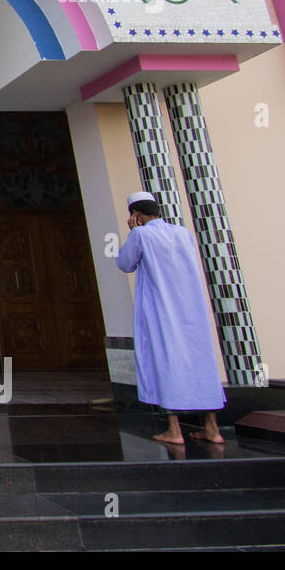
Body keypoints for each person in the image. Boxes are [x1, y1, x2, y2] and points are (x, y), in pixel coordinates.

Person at [115, 191, 226, 446]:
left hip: (161, 310)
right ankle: (212, 428)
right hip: (191, 310)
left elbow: (125, 263)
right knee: (201, 362)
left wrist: (132, 232)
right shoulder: (182, 233)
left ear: (136, 214)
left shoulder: (142, 234)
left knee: (165, 361)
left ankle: (174, 429)